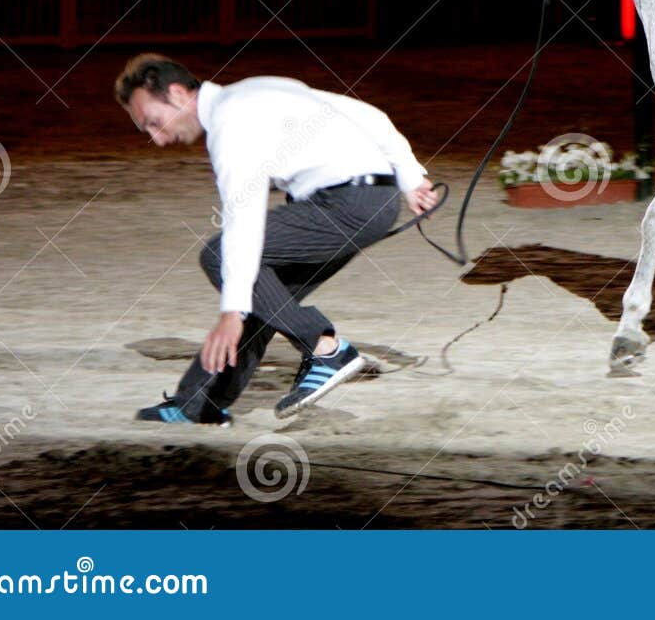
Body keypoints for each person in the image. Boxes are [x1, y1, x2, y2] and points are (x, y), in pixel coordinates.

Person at [113, 53, 438, 424]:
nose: (156, 138)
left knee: (219, 257)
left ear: (175, 94)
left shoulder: (230, 125)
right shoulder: (256, 88)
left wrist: (230, 312)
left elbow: (244, 220)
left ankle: (326, 349)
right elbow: (369, 116)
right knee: (263, 297)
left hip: (346, 204)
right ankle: (199, 404)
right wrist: (410, 178)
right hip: (368, 199)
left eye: (154, 122)